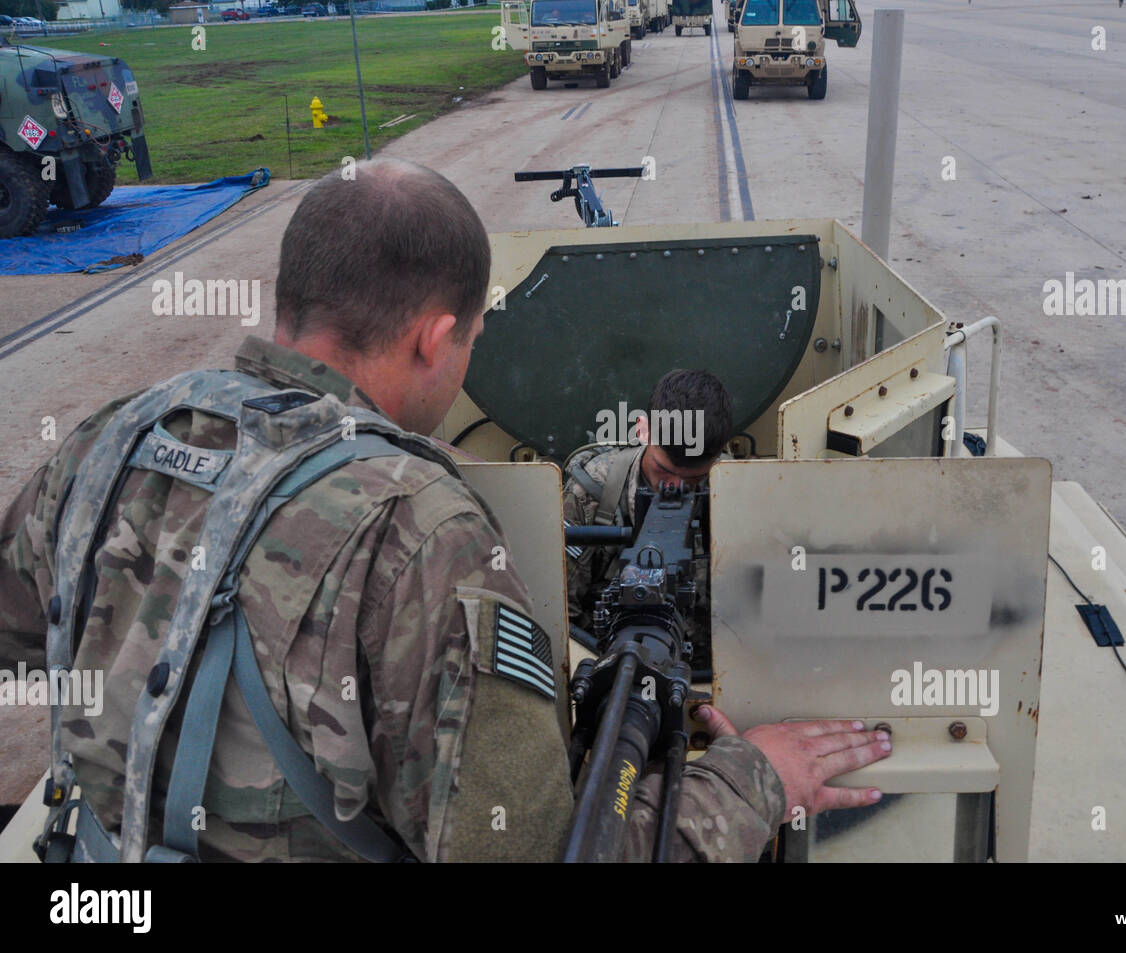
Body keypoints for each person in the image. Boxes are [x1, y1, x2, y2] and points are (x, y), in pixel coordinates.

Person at [0, 158, 890, 863]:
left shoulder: (112, 438)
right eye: (468, 339)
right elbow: (538, 852)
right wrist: (756, 778)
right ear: (435, 336)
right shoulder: (421, 532)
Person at [563, 369, 730, 638]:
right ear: (642, 429)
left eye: (694, 478)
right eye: (663, 470)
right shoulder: (594, 490)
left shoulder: (738, 493)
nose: (675, 486)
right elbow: (560, 610)